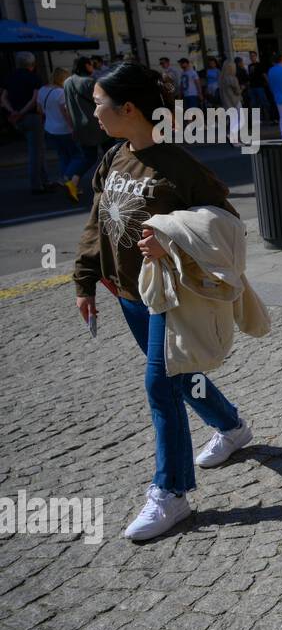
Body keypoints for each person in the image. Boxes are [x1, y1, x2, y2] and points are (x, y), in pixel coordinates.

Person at [73, 62, 255, 541]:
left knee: (160, 383)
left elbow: (225, 225)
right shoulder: (114, 158)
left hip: (167, 295)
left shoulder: (179, 166)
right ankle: (232, 428)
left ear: (128, 108)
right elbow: (98, 223)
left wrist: (172, 242)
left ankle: (170, 493)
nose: (94, 113)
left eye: (99, 105)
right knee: (178, 374)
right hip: (128, 293)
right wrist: (85, 281)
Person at [62, 57, 111, 201]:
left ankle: (73, 182)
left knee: (88, 157)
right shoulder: (89, 82)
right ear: (86, 65)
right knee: (111, 154)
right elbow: (102, 101)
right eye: (90, 64)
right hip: (97, 125)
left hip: (79, 126)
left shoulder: (67, 82)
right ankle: (110, 184)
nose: (93, 66)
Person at [4, 51, 53, 194]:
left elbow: (3, 98)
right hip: (31, 117)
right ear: (31, 64)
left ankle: (45, 180)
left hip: (16, 120)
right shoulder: (34, 78)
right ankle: (36, 185)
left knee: (38, 150)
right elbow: (34, 99)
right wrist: (22, 112)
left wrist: (13, 112)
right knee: (36, 152)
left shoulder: (10, 77)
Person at [38, 66, 79, 202]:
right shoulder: (60, 92)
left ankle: (66, 181)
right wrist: (73, 128)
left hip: (50, 129)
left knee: (63, 155)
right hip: (64, 129)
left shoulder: (42, 90)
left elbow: (40, 110)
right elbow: (65, 112)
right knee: (77, 155)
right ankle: (68, 179)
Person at [219, 60, 243, 142]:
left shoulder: (221, 79)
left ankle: (234, 138)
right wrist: (242, 88)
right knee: (241, 120)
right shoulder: (232, 78)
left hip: (226, 101)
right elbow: (237, 91)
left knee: (233, 120)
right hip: (235, 101)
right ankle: (232, 135)